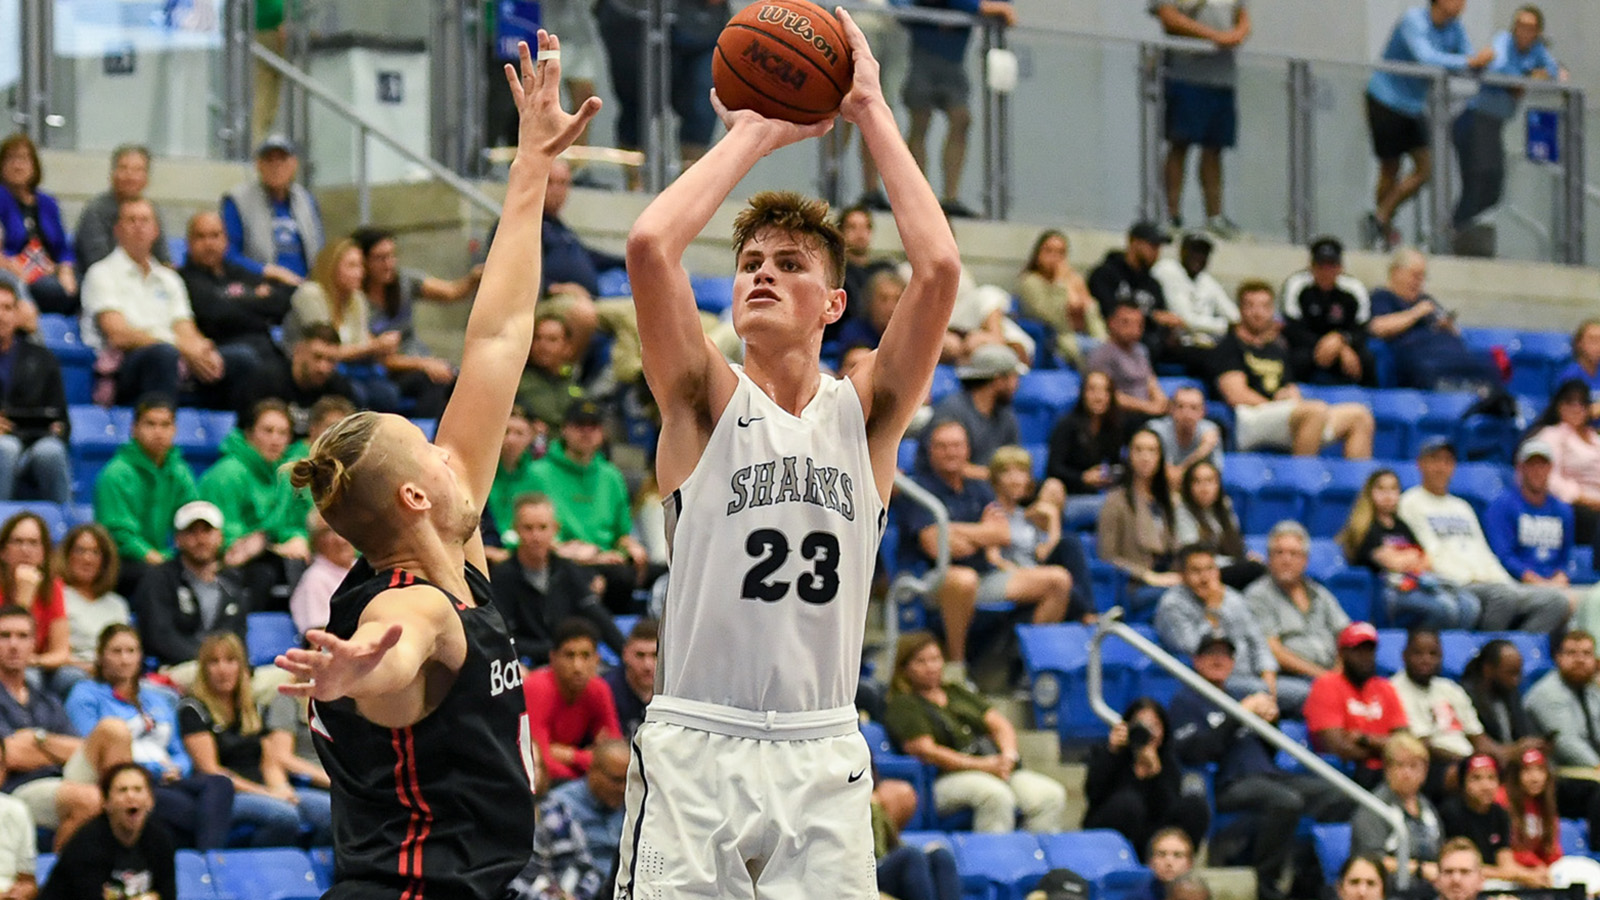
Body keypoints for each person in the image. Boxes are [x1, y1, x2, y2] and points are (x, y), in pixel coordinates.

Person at [613, 11, 960, 892]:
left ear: (834, 304)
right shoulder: (701, 398)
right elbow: (652, 245)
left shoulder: (866, 414)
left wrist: (872, 108)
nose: (763, 272)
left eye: (792, 263)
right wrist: (755, 137)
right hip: (699, 740)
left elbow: (941, 271)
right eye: (751, 261)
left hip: (822, 747)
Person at [273, 38, 598, 897]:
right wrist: (356, 674)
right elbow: (400, 650)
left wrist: (530, 165)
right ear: (418, 492)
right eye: (429, 442)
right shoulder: (412, 602)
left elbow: (497, 336)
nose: (451, 445)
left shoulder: (452, 547)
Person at [1170, 632, 1349, 900]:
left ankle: (1309, 874)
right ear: (1196, 661)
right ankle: (1266, 883)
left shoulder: (1238, 695)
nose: (1218, 660)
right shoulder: (1187, 701)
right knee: (1286, 802)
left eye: (1225, 655)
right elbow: (1198, 752)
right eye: (1211, 654)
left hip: (1268, 773)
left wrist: (1270, 722)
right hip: (1230, 781)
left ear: (1232, 663)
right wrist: (1240, 714)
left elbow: (1268, 751)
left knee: (1339, 795)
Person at [902, 419, 1070, 674]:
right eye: (943, 446)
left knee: (1058, 580)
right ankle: (957, 666)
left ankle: (1024, 666)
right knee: (963, 580)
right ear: (930, 451)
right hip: (932, 579)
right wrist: (982, 533)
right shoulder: (919, 489)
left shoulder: (979, 488)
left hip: (985, 574)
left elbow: (1002, 534)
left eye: (957, 446)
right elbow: (937, 547)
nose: (951, 452)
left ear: (967, 450)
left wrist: (951, 529)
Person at [64, 625, 235, 850]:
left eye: (131, 651)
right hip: (130, 782)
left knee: (221, 783)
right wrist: (155, 768)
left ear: (140, 656)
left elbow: (178, 750)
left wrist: (178, 768)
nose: (125, 660)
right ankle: (210, 862)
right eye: (117, 652)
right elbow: (94, 749)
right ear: (101, 656)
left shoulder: (157, 699)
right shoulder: (85, 695)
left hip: (171, 778)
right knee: (198, 811)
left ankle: (209, 860)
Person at [884, 632, 1066, 833]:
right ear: (904, 668)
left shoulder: (955, 691)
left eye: (935, 659)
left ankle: (1030, 859)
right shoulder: (904, 704)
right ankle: (994, 860)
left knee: (1049, 796)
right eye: (921, 662)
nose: (931, 667)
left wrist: (1008, 757)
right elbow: (926, 751)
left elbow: (999, 724)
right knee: (995, 796)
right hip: (943, 779)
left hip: (992, 767)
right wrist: (983, 766)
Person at [1398, 437, 1570, 634]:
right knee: (1503, 597)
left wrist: (1504, 580)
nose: (1441, 467)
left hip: (1491, 583)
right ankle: (1489, 653)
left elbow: (1483, 551)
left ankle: (1517, 648)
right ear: (1420, 464)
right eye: (1435, 460)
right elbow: (1426, 550)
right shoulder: (1410, 502)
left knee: (1555, 601)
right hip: (1454, 584)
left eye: (1447, 461)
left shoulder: (1462, 506)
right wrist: (1470, 580)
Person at [178, 633, 332, 847]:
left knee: (332, 814)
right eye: (214, 662)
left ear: (241, 667)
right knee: (285, 817)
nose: (223, 669)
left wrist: (280, 788)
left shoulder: (253, 709)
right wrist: (266, 793)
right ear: (204, 669)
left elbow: (270, 762)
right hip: (226, 795)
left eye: (230, 661)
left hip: (265, 789)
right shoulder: (193, 709)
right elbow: (211, 770)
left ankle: (311, 870)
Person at [0, 605, 132, 849]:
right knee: (89, 798)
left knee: (114, 731)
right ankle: (61, 882)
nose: (14, 645)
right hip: (17, 788)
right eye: (5, 636)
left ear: (33, 643)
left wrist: (37, 739)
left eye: (22, 636)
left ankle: (123, 855)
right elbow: (11, 756)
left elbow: (80, 746)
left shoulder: (45, 698)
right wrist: (51, 750)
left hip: (62, 776)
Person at [80, 199, 234, 408]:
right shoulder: (101, 273)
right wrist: (179, 345)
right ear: (117, 230)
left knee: (240, 360)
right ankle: (160, 429)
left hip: (174, 356)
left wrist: (201, 349)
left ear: (156, 230)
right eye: (131, 220)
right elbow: (118, 334)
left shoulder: (169, 278)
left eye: (145, 220)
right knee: (163, 355)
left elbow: (184, 327)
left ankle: (226, 436)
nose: (139, 226)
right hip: (124, 364)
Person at [1364, 0, 1492, 251]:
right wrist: (1469, 61)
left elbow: (1468, 56)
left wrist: (1478, 61)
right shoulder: (1414, 20)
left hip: (1413, 106)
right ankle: (1383, 229)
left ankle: (1380, 217)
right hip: (1386, 99)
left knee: (1425, 168)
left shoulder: (1454, 27)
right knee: (1390, 167)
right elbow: (1427, 58)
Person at [1212, 280, 1374, 457]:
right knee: (1314, 411)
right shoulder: (1229, 346)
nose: (1258, 313)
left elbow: (1290, 386)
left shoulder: (1277, 349)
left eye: (1264, 307)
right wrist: (1277, 405)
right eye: (1251, 306)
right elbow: (1236, 394)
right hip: (1250, 417)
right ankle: (1304, 479)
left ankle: (1358, 484)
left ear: (1272, 311)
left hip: (1283, 414)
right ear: (1240, 310)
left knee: (1359, 416)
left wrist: (1291, 398)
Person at [529, 400, 659, 613]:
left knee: (664, 573)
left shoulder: (612, 476)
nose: (587, 432)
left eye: (594, 426)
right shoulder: (538, 473)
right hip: (559, 559)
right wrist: (580, 553)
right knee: (614, 577)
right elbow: (528, 527)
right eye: (580, 425)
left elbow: (621, 533)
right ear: (565, 429)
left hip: (608, 561)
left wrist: (633, 547)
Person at [1452, 6, 1562, 233]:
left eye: (1530, 28)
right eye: (1520, 26)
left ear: (1538, 32)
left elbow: (1553, 70)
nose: (1523, 32)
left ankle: (1457, 230)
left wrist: (1531, 77)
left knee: (1493, 189)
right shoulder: (1503, 41)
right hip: (1474, 120)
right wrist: (1525, 77)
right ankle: (1452, 232)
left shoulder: (1537, 50)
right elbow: (1498, 67)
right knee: (1480, 182)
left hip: (1493, 124)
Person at [903, 0, 1017, 217]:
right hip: (923, 51)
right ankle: (917, 195)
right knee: (920, 120)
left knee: (961, 119)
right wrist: (975, 7)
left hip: (953, 58)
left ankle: (951, 197)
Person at [198, 399, 309, 611]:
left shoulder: (284, 476)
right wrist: (273, 547)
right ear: (249, 433)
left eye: (283, 433)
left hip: (268, 557)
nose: (275, 440)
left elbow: (290, 522)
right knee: (265, 573)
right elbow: (226, 539)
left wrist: (298, 538)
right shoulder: (228, 474)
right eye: (268, 431)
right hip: (224, 562)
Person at [352, 227, 473, 419]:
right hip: (384, 372)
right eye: (380, 258)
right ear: (364, 261)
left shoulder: (403, 281)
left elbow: (451, 292)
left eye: (392, 256)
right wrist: (423, 364)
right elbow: (380, 358)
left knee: (461, 382)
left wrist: (474, 278)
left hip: (416, 360)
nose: (389, 264)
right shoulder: (356, 300)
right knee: (432, 381)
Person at [1152, 0, 1249, 236]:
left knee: (1214, 149)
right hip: (1186, 76)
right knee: (1180, 144)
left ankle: (1215, 217)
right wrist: (1215, 37)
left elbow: (1242, 17)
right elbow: (1169, 17)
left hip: (1221, 79)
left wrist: (1235, 35)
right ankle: (1172, 215)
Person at [490, 494, 623, 666]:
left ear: (556, 529)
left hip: (569, 662)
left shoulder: (568, 570)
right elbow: (502, 637)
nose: (536, 536)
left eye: (543, 527)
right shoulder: (502, 577)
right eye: (528, 528)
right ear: (515, 529)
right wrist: (554, 650)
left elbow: (597, 615)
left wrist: (626, 653)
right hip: (526, 666)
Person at [1339, 468, 1480, 630]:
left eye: (1393, 489)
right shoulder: (1365, 529)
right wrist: (1409, 556)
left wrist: (1404, 557)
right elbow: (1392, 563)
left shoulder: (1401, 525)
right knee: (1445, 608)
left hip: (1418, 584)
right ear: (1369, 492)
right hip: (1388, 590)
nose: (1388, 495)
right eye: (1381, 489)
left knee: (1470, 604)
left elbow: (1426, 560)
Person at [283, 239, 410, 414]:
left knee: (388, 394)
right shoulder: (310, 293)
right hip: (312, 367)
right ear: (332, 267)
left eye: (361, 267)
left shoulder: (357, 299)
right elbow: (325, 347)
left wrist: (380, 347)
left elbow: (360, 342)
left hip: (352, 368)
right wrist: (374, 346)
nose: (360, 273)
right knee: (355, 393)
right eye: (352, 266)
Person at [93, 396, 198, 597]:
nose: (158, 432)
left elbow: (192, 519)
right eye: (150, 424)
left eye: (165, 425)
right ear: (134, 429)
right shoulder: (116, 474)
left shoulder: (180, 472)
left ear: (174, 430)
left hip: (160, 559)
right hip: (120, 564)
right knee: (155, 576)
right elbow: (119, 535)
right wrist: (159, 559)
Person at [132, 501, 250, 677]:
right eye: (191, 532)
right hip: (177, 669)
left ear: (220, 537)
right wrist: (207, 661)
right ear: (177, 539)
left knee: (285, 678)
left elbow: (238, 640)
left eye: (207, 531)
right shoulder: (158, 579)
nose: (200, 539)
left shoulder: (233, 587)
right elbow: (159, 637)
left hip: (226, 673)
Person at [1244, 521, 1350, 716]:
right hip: (1291, 678)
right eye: (1279, 553)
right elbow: (1273, 650)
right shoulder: (1258, 595)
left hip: (1332, 674)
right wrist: (1324, 677)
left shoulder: (1319, 593)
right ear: (1268, 558)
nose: (1286, 560)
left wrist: (1340, 670)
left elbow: (1346, 635)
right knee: (1317, 695)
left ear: (1305, 560)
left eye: (1294, 554)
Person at [1083, 696, 1210, 858]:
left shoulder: (1168, 762)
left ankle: (1179, 862)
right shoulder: (1109, 754)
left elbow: (1167, 809)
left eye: (1155, 726)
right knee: (1129, 803)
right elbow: (1093, 795)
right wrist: (1112, 753)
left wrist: (1156, 772)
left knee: (1195, 805)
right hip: (1112, 832)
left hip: (1151, 837)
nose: (1148, 732)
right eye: (1141, 725)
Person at [1154, 544, 1278, 699]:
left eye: (1210, 569)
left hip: (1253, 678)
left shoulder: (1232, 598)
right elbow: (1193, 648)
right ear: (1182, 575)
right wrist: (1212, 610)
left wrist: (1269, 678)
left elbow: (1258, 641)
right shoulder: (1172, 605)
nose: (1205, 578)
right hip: (1212, 682)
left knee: (1308, 692)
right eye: (1196, 571)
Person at [988, 446, 1094, 623]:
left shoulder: (1024, 515)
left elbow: (1042, 554)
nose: (1017, 480)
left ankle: (1089, 612)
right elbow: (993, 559)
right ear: (996, 479)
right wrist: (1026, 573)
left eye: (1022, 473)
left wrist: (1053, 520)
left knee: (1069, 543)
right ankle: (1088, 615)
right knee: (1068, 590)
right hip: (1015, 581)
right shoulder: (992, 514)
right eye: (1008, 473)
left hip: (1038, 575)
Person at [37, 763, 174, 900]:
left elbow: (168, 894)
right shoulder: (86, 844)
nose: (131, 796)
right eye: (122, 790)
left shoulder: (160, 840)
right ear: (106, 803)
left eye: (138, 790)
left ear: (150, 801)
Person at [1368, 249, 1499, 392]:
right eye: (1415, 276)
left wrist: (1448, 326)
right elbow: (1378, 327)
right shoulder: (1383, 297)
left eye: (1422, 277)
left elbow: (1456, 331)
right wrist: (1415, 313)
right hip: (1422, 359)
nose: (1419, 282)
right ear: (1396, 272)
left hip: (1452, 356)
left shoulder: (1425, 299)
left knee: (1488, 366)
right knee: (1433, 371)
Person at [178, 210, 293, 371]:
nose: (209, 244)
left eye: (215, 235)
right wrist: (256, 297)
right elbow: (215, 314)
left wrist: (236, 301)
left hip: (266, 349)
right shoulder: (183, 278)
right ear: (188, 243)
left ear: (226, 240)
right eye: (201, 237)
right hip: (225, 354)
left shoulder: (237, 272)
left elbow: (283, 301)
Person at [520, 739, 630, 900]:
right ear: (593, 771)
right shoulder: (563, 804)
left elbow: (584, 866)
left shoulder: (554, 810)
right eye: (616, 780)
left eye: (628, 780)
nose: (624, 788)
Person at [1304, 622, 1410, 788]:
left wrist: (1365, 739)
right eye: (1358, 650)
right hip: (1349, 775)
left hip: (1390, 770)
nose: (1365, 657)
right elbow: (1337, 748)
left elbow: (1405, 742)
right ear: (1342, 654)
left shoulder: (1384, 687)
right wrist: (1387, 749)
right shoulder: (1326, 685)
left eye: (1369, 650)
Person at [1388, 629, 1500, 785]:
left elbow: (1478, 737)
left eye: (1433, 654)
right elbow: (1421, 745)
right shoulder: (1393, 689)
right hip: (1431, 763)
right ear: (1404, 655)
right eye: (1418, 653)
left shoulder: (1449, 688)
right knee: (1465, 776)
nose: (1425, 660)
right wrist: (1470, 763)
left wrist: (1508, 754)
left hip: (1468, 761)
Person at [523, 619, 619, 785]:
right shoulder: (537, 688)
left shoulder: (599, 689)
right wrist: (591, 765)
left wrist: (571, 756)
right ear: (553, 658)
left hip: (577, 779)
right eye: (569, 655)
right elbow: (541, 765)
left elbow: (616, 756)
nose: (577, 666)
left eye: (585, 656)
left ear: (597, 660)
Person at [1096, 428, 1181, 616]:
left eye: (1152, 451)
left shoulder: (1166, 501)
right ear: (1129, 455)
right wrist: (1148, 576)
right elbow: (1107, 556)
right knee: (1181, 598)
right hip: (1136, 586)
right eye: (1139, 450)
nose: (1145, 457)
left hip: (1170, 578)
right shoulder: (1115, 501)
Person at [1350, 734, 1444, 899]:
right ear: (1387, 769)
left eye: (1413, 766)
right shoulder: (1373, 808)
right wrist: (1420, 870)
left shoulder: (1427, 807)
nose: (1406, 773)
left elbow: (1440, 852)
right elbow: (1370, 862)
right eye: (1400, 765)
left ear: (1425, 771)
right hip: (1391, 891)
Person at [220, 136, 323, 282]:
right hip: (260, 284)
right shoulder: (237, 200)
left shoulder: (306, 200)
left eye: (282, 159)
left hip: (306, 285)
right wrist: (270, 272)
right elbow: (229, 255)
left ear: (294, 164)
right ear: (258, 165)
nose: (276, 166)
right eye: (269, 160)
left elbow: (320, 251)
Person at [1279, 236, 1375, 386]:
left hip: (1344, 344)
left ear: (1340, 267)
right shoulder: (1297, 285)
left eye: (1331, 266)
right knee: (1296, 359)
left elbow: (1362, 329)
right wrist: (1325, 345)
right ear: (1311, 266)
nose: (1326, 272)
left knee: (1367, 359)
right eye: (1321, 266)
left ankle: (1370, 401)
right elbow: (1293, 328)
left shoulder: (1354, 289)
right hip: (1309, 346)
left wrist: (1342, 342)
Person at [1483, 438, 1578, 588]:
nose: (1537, 471)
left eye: (1542, 465)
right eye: (1531, 465)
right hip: (1515, 584)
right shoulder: (1502, 506)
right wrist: (1534, 581)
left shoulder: (1563, 510)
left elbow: (1566, 557)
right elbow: (1503, 556)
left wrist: (1562, 576)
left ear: (1550, 468)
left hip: (1555, 584)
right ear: (1520, 468)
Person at [0, 134, 76, 316]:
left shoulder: (48, 202)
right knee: (51, 291)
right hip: (14, 275)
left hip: (50, 271)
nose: (18, 165)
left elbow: (64, 249)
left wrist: (65, 271)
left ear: (34, 165)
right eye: (11, 158)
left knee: (84, 285)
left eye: (24, 158)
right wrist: (12, 267)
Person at [239, 323, 359, 435]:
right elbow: (247, 430)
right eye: (317, 357)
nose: (323, 368)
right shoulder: (265, 381)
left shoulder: (339, 390)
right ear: (298, 351)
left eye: (331, 360)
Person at [1439, 754, 1540, 886]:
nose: (1486, 785)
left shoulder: (1500, 813)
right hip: (1460, 881)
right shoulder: (1451, 813)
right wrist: (1524, 876)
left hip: (1495, 879)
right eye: (1476, 778)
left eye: (1491, 778)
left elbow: (1506, 863)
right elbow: (1460, 867)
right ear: (1463, 783)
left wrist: (1534, 875)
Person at [0, 513, 70, 696]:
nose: (25, 549)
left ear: (43, 552)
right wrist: (24, 598)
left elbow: (61, 652)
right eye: (18, 541)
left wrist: (33, 660)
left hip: (36, 664)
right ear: (3, 551)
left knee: (73, 677)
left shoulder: (53, 586)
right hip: (6, 667)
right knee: (29, 677)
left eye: (33, 543)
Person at [57, 524, 130, 699]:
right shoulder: (58, 595)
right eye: (80, 551)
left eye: (96, 552)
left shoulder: (118, 604)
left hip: (115, 673)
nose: (87, 559)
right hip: (72, 671)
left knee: (166, 695)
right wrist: (92, 669)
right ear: (67, 555)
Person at [1087, 222, 1181, 354]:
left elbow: (1163, 314)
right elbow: (1109, 313)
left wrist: (1171, 327)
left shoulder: (1153, 284)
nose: (1156, 252)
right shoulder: (1105, 274)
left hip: (1156, 342)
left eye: (1158, 247)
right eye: (1152, 246)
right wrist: (1151, 317)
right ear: (1133, 242)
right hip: (1118, 342)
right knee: (1146, 347)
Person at [1531, 379, 1600, 559]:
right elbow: (1549, 479)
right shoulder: (1551, 435)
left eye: (1582, 403)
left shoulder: (1595, 437)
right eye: (1570, 402)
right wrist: (1585, 498)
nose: (1576, 408)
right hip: (1575, 507)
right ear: (1559, 405)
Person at [74, 146, 171, 274]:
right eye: (123, 168)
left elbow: (163, 258)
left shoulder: (151, 210)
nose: (130, 176)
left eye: (137, 170)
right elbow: (98, 261)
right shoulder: (96, 210)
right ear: (112, 174)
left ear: (146, 178)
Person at [931, 343, 1024, 475]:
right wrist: (995, 478)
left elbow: (1014, 459)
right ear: (998, 380)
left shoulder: (1005, 414)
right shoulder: (951, 410)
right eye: (1014, 377)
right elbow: (946, 465)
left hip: (991, 490)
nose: (1017, 384)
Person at [1045, 370, 1127, 519]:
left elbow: (1117, 464)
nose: (1099, 396)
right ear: (1082, 393)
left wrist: (1110, 474)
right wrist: (1083, 477)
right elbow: (1053, 469)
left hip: (1098, 494)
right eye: (1092, 389)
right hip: (1068, 495)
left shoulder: (1113, 428)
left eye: (1105, 390)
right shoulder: (1066, 425)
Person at [1016, 229, 1104, 368]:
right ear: (1038, 254)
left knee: (1113, 350)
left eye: (1060, 253)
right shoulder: (1030, 282)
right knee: (1101, 352)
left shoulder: (1072, 279)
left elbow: (1093, 316)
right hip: (1057, 341)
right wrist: (1060, 284)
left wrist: (1104, 340)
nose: (1054, 257)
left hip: (1084, 337)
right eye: (1049, 251)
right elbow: (1053, 319)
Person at [1173, 459, 1262, 589]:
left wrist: (1247, 556)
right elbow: (1193, 556)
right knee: (1255, 570)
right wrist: (1238, 563)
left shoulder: (1225, 507)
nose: (1204, 488)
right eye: (1197, 482)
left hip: (1228, 568)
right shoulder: (1182, 512)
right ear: (1188, 486)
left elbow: (1236, 543)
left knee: (1261, 568)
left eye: (1209, 481)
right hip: (1202, 573)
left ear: (1218, 485)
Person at [1524, 630, 1600, 769]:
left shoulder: (1590, 689)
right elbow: (1567, 744)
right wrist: (1597, 766)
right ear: (1558, 658)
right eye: (1571, 653)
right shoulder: (1547, 692)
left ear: (1596, 661)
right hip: (1557, 771)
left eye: (1586, 654)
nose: (1580, 660)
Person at [1151, 232, 1237, 350]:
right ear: (1182, 251)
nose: (1199, 257)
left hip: (1205, 343)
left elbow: (1234, 316)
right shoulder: (1168, 269)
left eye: (1204, 253)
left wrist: (1236, 325)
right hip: (1175, 344)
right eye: (1194, 251)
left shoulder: (1206, 280)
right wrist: (1227, 326)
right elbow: (1186, 320)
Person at [1087, 300, 1170, 422]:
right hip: (1122, 416)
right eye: (1126, 322)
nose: (1133, 329)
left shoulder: (1141, 350)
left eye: (1139, 324)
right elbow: (1106, 395)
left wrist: (1161, 402)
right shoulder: (1102, 354)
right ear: (1111, 323)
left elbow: (1151, 381)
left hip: (1148, 411)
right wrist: (1148, 407)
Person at [287, 510, 354, 636]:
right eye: (329, 532)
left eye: (344, 528)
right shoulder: (316, 580)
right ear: (315, 541)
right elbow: (319, 642)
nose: (341, 540)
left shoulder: (368, 567)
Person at [1502, 747, 1561, 874]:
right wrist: (1537, 865)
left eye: (1540, 770)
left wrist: (1551, 866)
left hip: (1540, 871)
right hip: (1512, 872)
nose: (1535, 778)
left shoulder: (1546, 804)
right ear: (1515, 775)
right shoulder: (1502, 801)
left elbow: (1552, 847)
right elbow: (1508, 849)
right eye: (1527, 770)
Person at [1150, 386, 1224, 485]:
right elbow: (1169, 479)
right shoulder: (1156, 431)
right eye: (1180, 406)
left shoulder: (1210, 431)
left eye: (1194, 408)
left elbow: (1214, 480)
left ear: (1203, 412)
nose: (1186, 413)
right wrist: (1202, 451)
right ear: (1171, 409)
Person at [603, 618, 656, 741]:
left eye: (655, 655)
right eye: (640, 655)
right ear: (625, 654)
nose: (647, 665)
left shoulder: (675, 692)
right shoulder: (608, 690)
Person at [1556, 319, 1600, 417]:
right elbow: (1570, 414)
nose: (1598, 346)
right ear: (1579, 343)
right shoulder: (1570, 375)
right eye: (1593, 340)